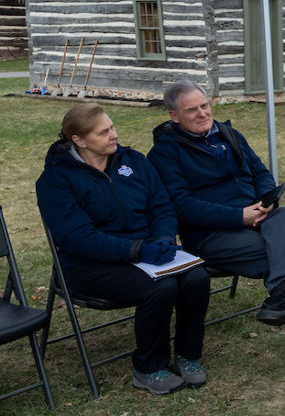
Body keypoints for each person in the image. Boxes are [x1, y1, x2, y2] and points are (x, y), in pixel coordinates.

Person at [147, 81, 285, 373]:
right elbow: (182, 206)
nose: (203, 113)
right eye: (192, 110)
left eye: (205, 105)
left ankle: (282, 298)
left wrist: (266, 202)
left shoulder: (229, 134)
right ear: (174, 116)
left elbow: (260, 172)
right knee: (281, 259)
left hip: (257, 217)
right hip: (211, 235)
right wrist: (238, 216)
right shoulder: (165, 154)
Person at [36, 103, 210, 395]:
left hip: (147, 252)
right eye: (104, 132)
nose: (114, 135)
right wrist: (137, 250)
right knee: (161, 287)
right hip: (87, 264)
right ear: (78, 140)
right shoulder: (56, 180)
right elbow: (79, 238)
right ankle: (148, 368)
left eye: (113, 127)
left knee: (197, 277)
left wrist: (165, 239)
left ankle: (187, 356)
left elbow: (162, 205)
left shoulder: (134, 161)